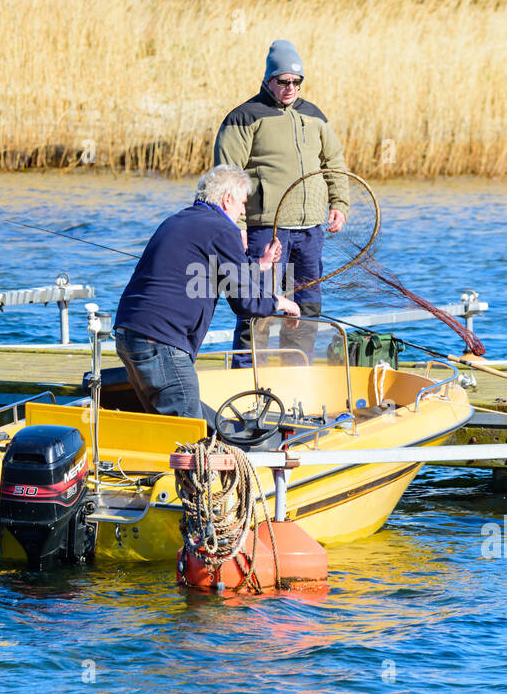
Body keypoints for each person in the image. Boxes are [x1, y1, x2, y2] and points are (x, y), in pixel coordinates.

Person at [114, 164, 300, 419]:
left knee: (169, 426)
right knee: (189, 436)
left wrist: (261, 265)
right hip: (161, 342)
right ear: (227, 199)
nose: (244, 210)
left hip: (129, 335)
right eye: (243, 203)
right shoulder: (223, 229)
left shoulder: (180, 219)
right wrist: (279, 302)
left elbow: (210, 273)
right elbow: (243, 301)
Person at [214, 39, 349, 367]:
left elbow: (334, 161)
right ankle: (246, 375)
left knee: (307, 304)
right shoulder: (244, 117)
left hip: (310, 231)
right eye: (283, 81)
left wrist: (339, 203)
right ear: (267, 80)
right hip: (266, 230)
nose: (290, 88)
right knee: (256, 304)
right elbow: (226, 177)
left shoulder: (314, 115)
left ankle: (296, 370)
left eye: (296, 82)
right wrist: (238, 227)